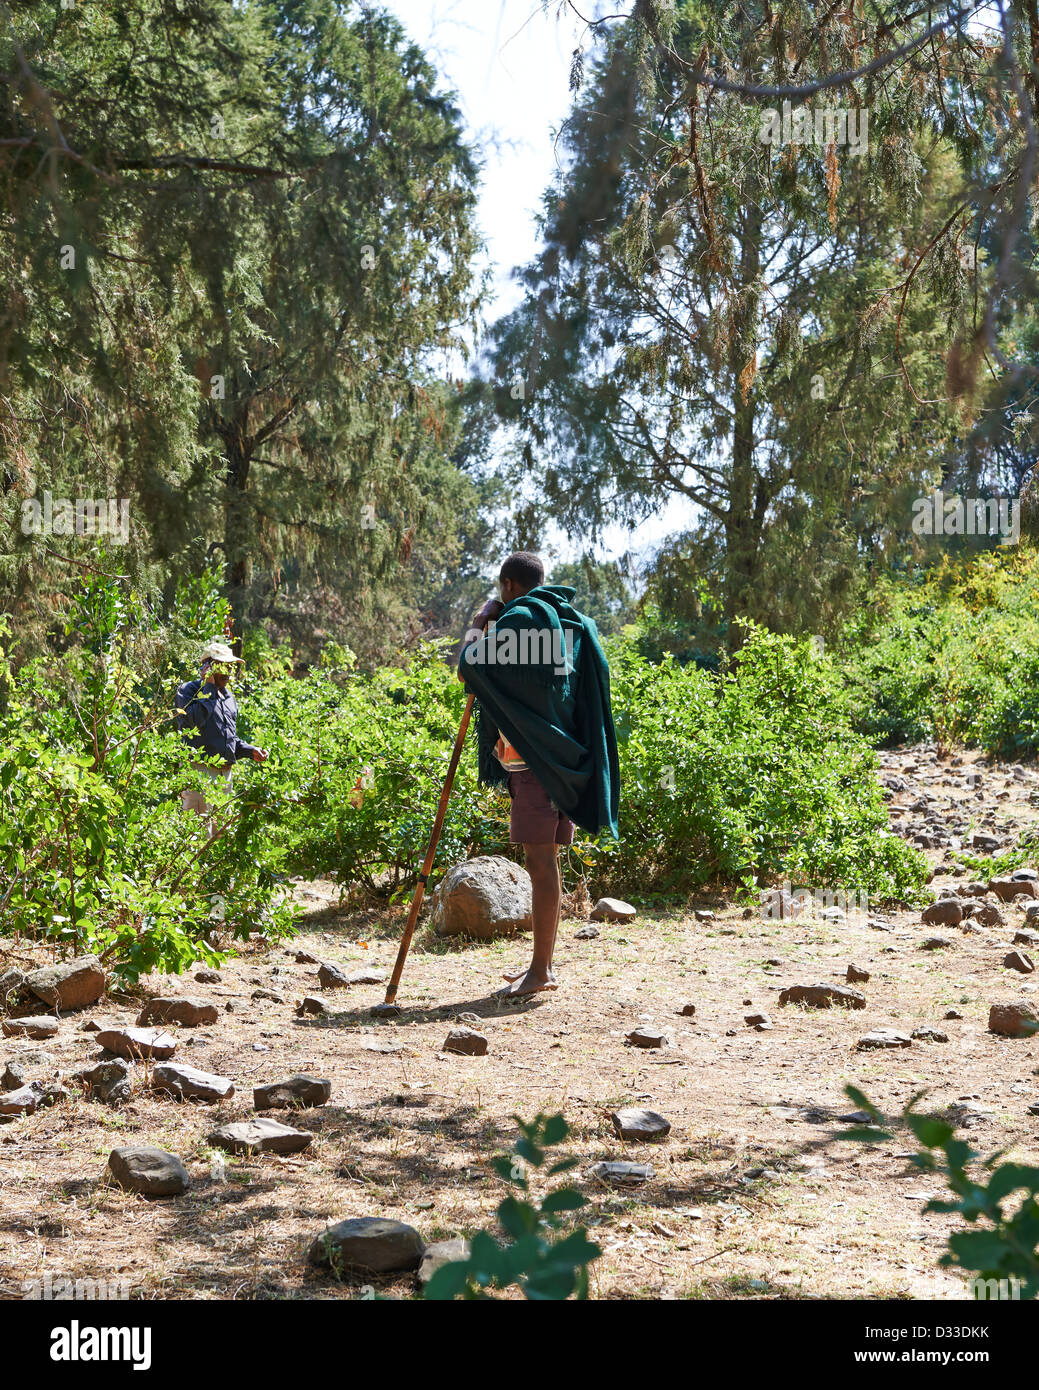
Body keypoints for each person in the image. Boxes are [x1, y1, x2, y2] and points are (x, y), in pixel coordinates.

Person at [458, 553, 619, 997]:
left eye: (499, 590)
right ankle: (542, 964)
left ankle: (541, 972)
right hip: (566, 760)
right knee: (546, 861)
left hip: (535, 764)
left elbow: (469, 667)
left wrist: (480, 620)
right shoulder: (572, 622)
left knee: (540, 863)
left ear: (509, 585)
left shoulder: (522, 619)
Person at [175, 639, 268, 823]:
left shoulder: (228, 697)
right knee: (196, 838)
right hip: (199, 773)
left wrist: (250, 751)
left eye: (230, 666)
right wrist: (208, 685)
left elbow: (227, 737)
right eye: (222, 665)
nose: (229, 671)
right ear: (207, 667)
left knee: (218, 841)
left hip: (224, 777)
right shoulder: (188, 691)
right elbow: (194, 722)